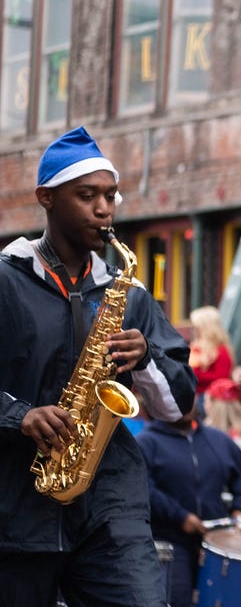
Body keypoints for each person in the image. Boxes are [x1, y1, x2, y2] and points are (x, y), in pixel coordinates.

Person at [0, 126, 197, 606]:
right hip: (16, 511)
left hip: (110, 509)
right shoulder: (6, 281)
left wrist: (146, 359)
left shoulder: (130, 294)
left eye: (110, 195)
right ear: (46, 198)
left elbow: (178, 407)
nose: (104, 208)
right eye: (86, 196)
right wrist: (19, 414)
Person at [137, 407, 241, 607]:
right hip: (168, 541)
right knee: (177, 600)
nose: (183, 404)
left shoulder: (217, 439)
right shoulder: (146, 441)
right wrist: (180, 516)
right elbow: (142, 487)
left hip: (217, 543)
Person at [189, 305, 235, 416]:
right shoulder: (195, 348)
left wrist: (193, 373)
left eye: (196, 327)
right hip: (196, 398)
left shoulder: (221, 351)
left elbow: (220, 377)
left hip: (212, 401)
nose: (194, 331)